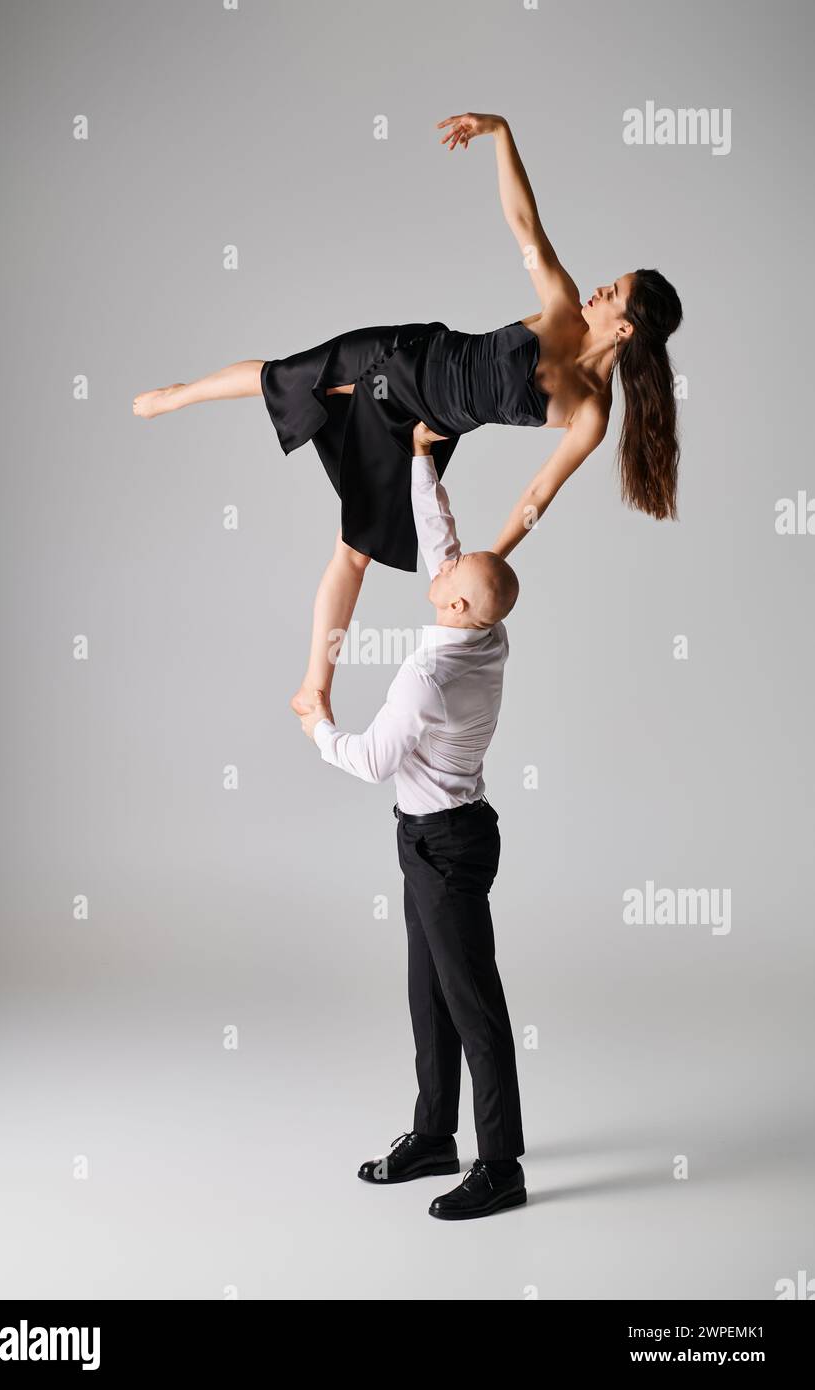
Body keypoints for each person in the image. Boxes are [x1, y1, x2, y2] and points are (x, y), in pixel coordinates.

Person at [133, 112, 683, 718]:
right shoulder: (562, 309)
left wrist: (484, 563)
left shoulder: (591, 413)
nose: (598, 290)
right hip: (403, 355)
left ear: (625, 329)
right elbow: (525, 223)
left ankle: (312, 688)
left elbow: (538, 491)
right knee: (287, 375)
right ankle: (177, 395)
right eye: (607, 282)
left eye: (612, 293)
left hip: (419, 432)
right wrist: (500, 133)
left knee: (355, 549)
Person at [298, 421, 525, 1221]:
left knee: (474, 1005)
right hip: (438, 835)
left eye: (452, 573)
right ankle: (435, 1136)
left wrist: (315, 721)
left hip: (445, 844)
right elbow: (444, 540)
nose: (447, 563)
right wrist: (422, 456)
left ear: (456, 600)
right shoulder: (485, 631)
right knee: (428, 994)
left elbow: (366, 760)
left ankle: (501, 1165)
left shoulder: (429, 675)